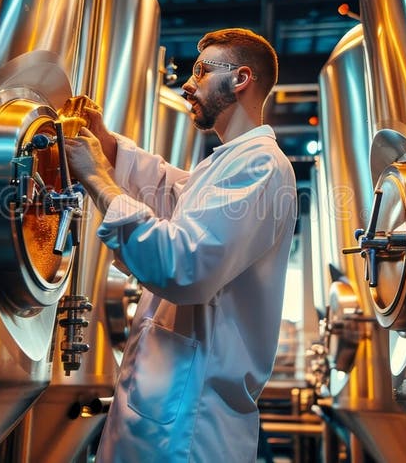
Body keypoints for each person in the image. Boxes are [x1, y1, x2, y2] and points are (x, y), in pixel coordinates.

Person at [65, 28, 297, 462]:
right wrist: (110, 147)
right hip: (162, 412)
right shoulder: (226, 162)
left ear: (241, 78)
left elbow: (183, 264)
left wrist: (97, 177)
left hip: (191, 429)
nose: (188, 84)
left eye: (202, 71)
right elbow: (172, 192)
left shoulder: (261, 164)